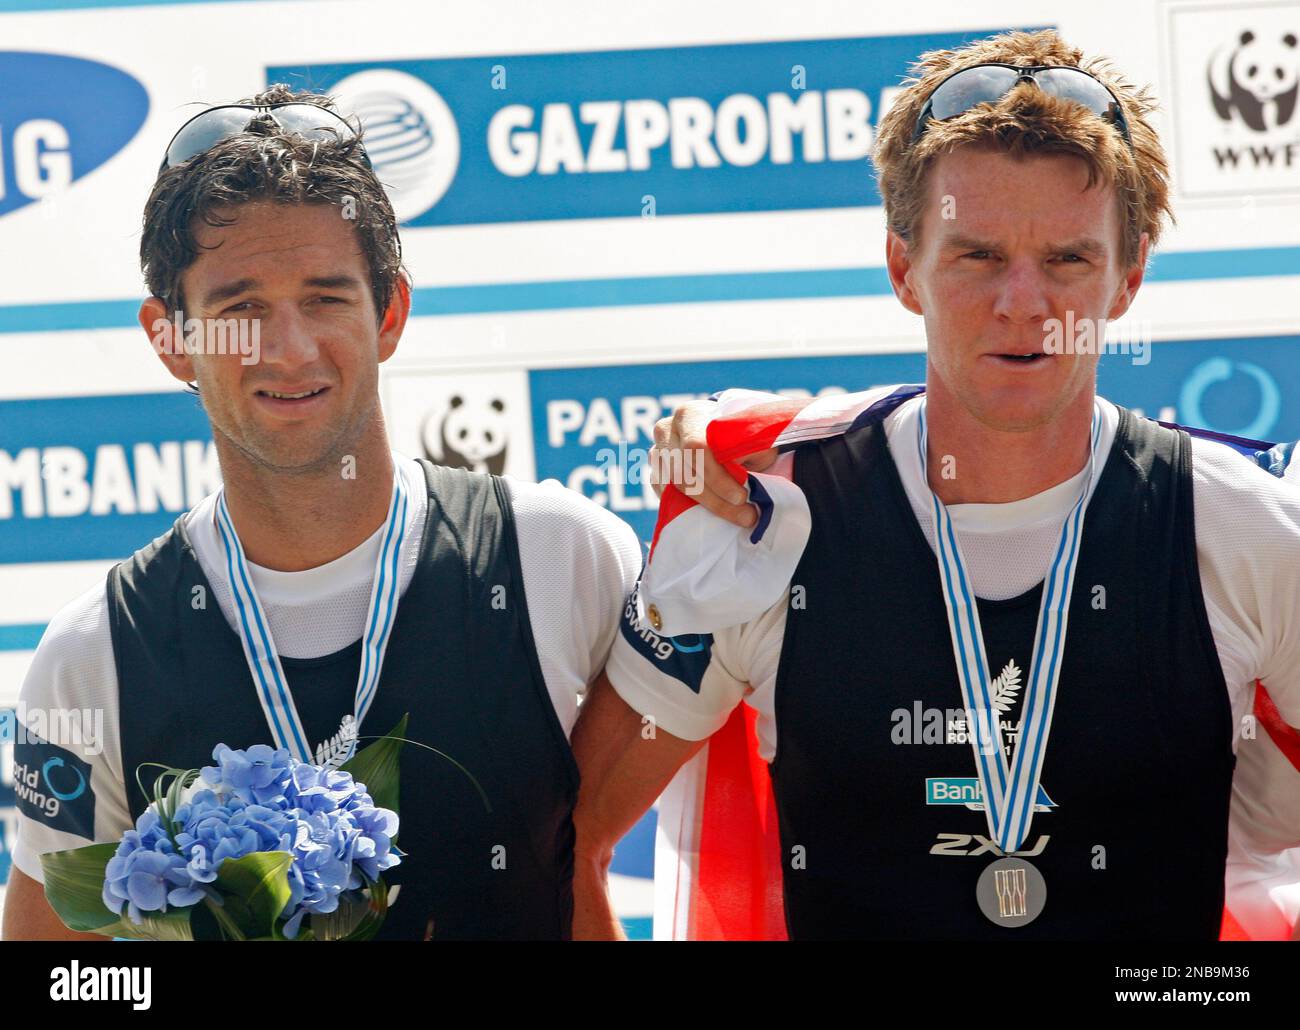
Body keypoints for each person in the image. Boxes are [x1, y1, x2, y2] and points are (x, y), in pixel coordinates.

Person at [570, 29, 1300, 940]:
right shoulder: (761, 510)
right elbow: (571, 841)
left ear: (1129, 276)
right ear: (902, 267)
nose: (1023, 303)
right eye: (978, 256)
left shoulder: (1253, 530)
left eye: (1069, 259)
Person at [2, 85, 640, 941]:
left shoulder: (561, 556)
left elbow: (698, 843)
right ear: (170, 339)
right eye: (241, 309)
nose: (290, 347)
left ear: (392, 312)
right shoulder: (91, 656)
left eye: (326, 297)